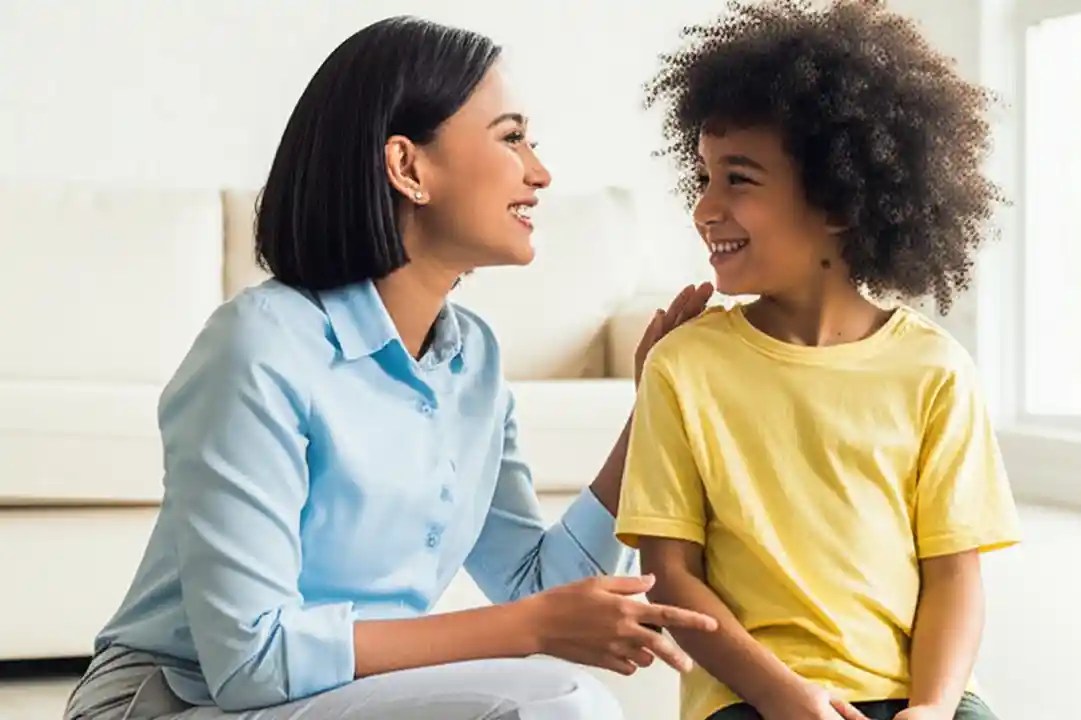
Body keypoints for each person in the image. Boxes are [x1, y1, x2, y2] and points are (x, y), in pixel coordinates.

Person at [64, 15, 717, 720]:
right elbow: (252, 661)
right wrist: (528, 629)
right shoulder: (260, 346)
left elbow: (540, 584)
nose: (539, 170)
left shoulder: (473, 360)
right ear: (408, 167)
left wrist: (651, 413)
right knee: (557, 707)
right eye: (510, 137)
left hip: (334, 697)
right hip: (170, 700)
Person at [615, 2, 1021, 720]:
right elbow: (672, 574)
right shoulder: (683, 367)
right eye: (704, 177)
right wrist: (783, 695)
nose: (705, 208)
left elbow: (955, 573)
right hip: (750, 695)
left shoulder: (936, 371)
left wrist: (931, 705)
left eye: (738, 179)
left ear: (837, 199)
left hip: (919, 688)